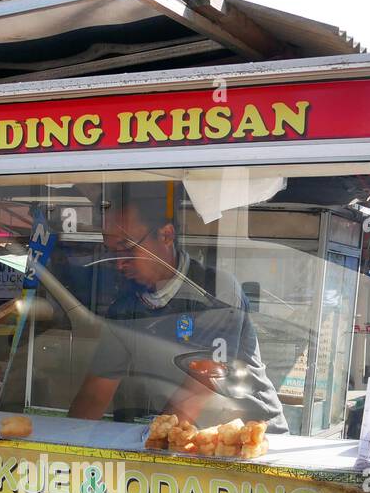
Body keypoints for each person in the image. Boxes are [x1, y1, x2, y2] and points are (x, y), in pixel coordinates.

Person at [68, 184, 287, 432]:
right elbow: (96, 393)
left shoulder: (216, 291)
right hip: (185, 438)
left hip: (251, 438)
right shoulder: (125, 307)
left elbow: (200, 388)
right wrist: (63, 448)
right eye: (111, 252)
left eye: (127, 249)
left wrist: (156, 445)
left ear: (166, 235)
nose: (118, 263)